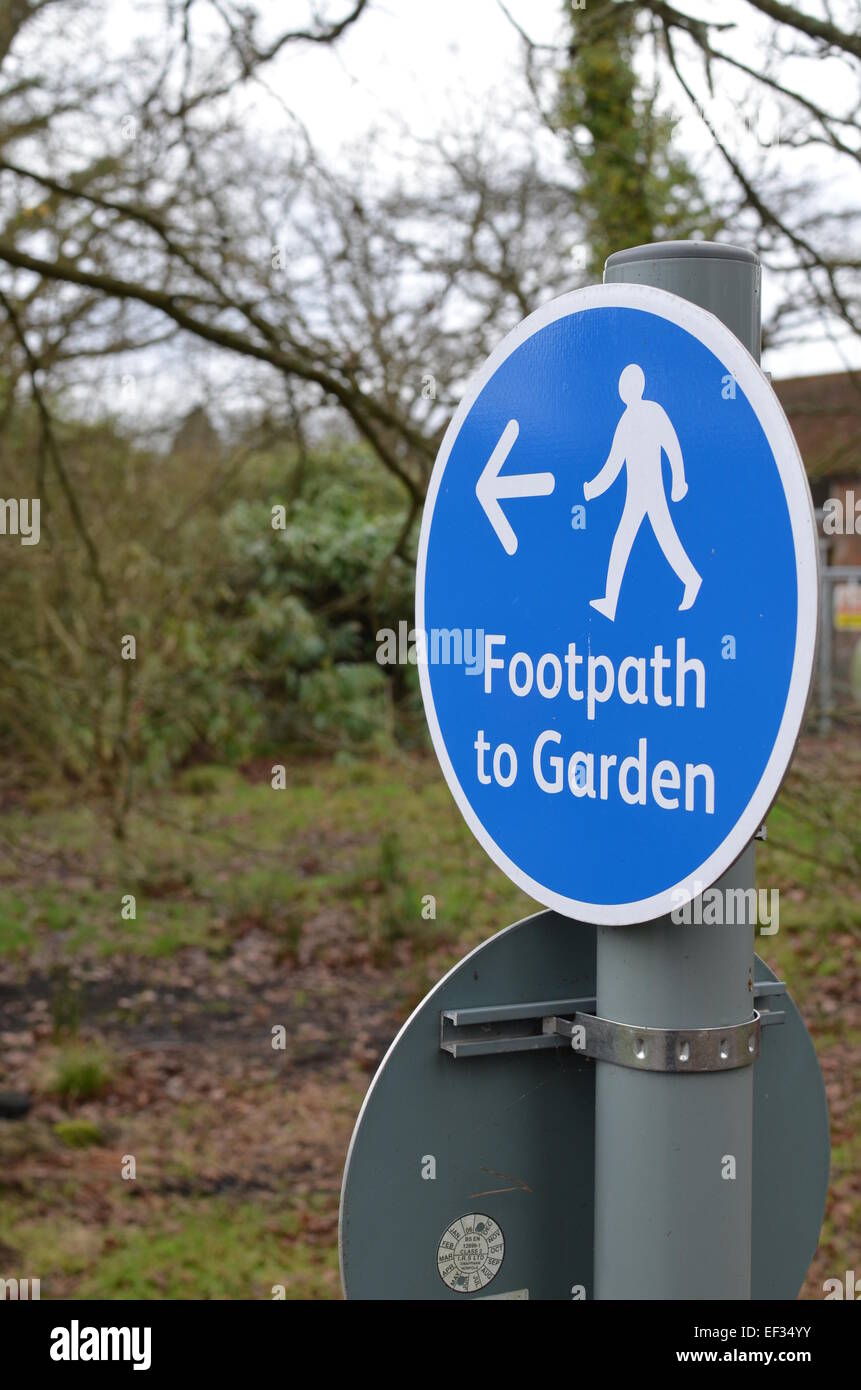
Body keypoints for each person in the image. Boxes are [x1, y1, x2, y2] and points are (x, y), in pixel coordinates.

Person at [584, 363, 701, 621]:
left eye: (626, 384)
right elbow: (613, 464)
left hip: (652, 492)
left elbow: (672, 445)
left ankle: (692, 580)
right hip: (636, 496)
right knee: (626, 542)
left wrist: (679, 481)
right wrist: (593, 488)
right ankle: (610, 602)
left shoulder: (653, 412)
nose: (623, 389)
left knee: (662, 540)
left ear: (636, 386)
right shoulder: (625, 421)